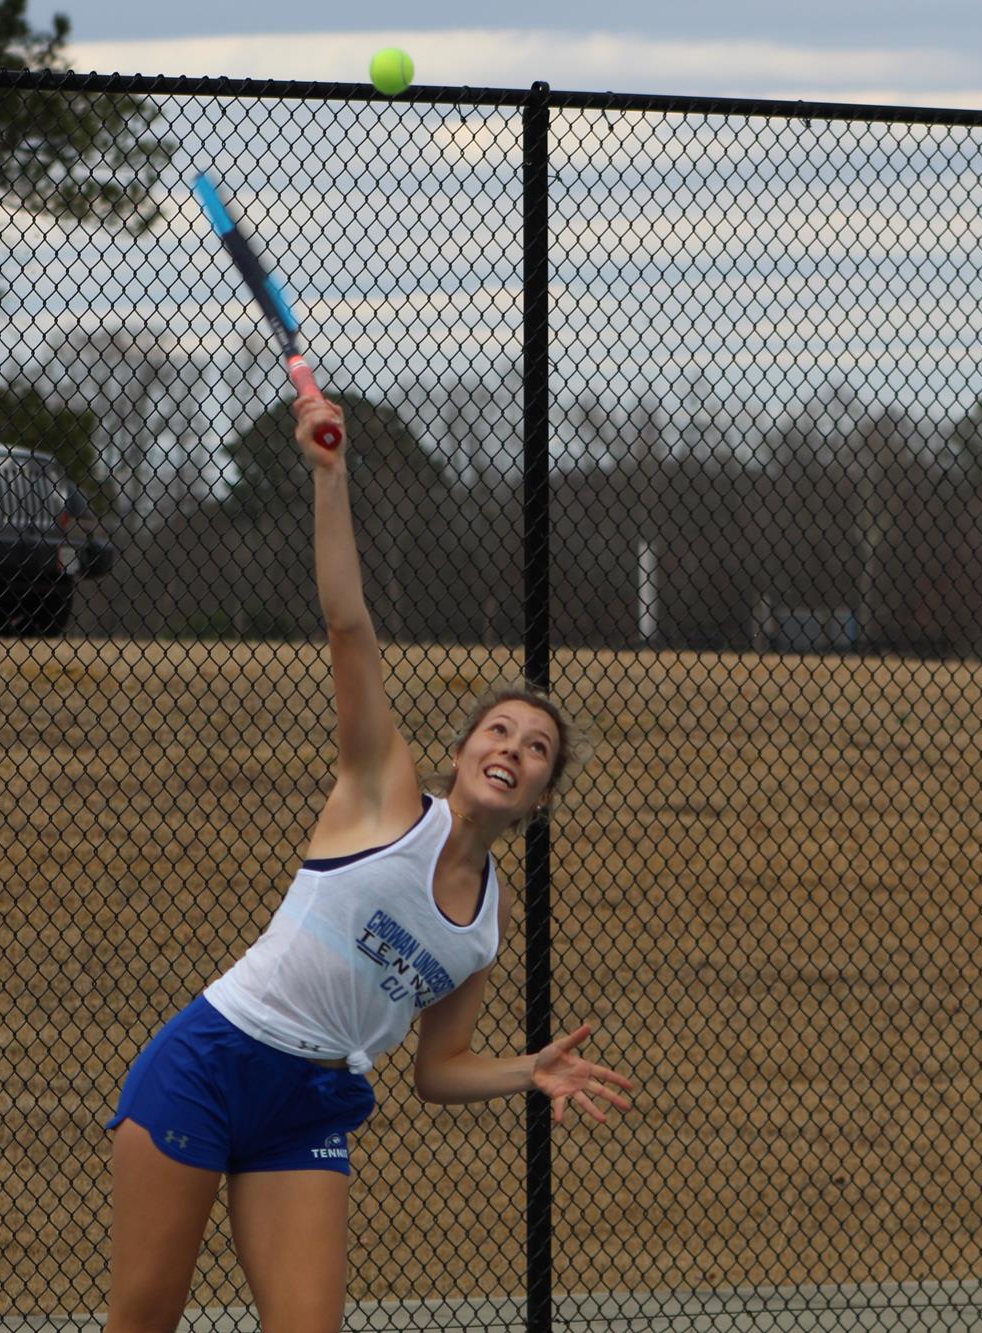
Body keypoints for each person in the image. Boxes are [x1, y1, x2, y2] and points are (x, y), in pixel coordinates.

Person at [104, 392, 638, 1333]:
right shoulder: (382, 790)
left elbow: (440, 1069)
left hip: (311, 1104)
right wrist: (330, 475)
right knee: (145, 1318)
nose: (512, 745)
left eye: (537, 747)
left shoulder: (481, 929)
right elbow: (349, 624)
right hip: (213, 1060)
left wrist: (531, 1070)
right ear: (466, 748)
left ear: (541, 796)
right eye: (498, 728)